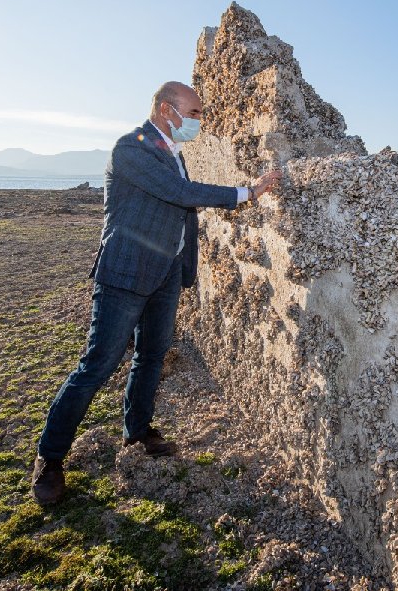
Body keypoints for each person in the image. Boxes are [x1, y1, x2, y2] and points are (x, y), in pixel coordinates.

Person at [31, 81, 281, 505]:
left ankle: (138, 432)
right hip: (126, 275)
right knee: (97, 365)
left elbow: (178, 212)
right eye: (195, 113)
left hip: (164, 274)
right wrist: (248, 191)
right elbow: (182, 195)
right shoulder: (132, 149)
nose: (199, 121)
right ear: (168, 110)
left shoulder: (171, 152)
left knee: (151, 356)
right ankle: (50, 459)